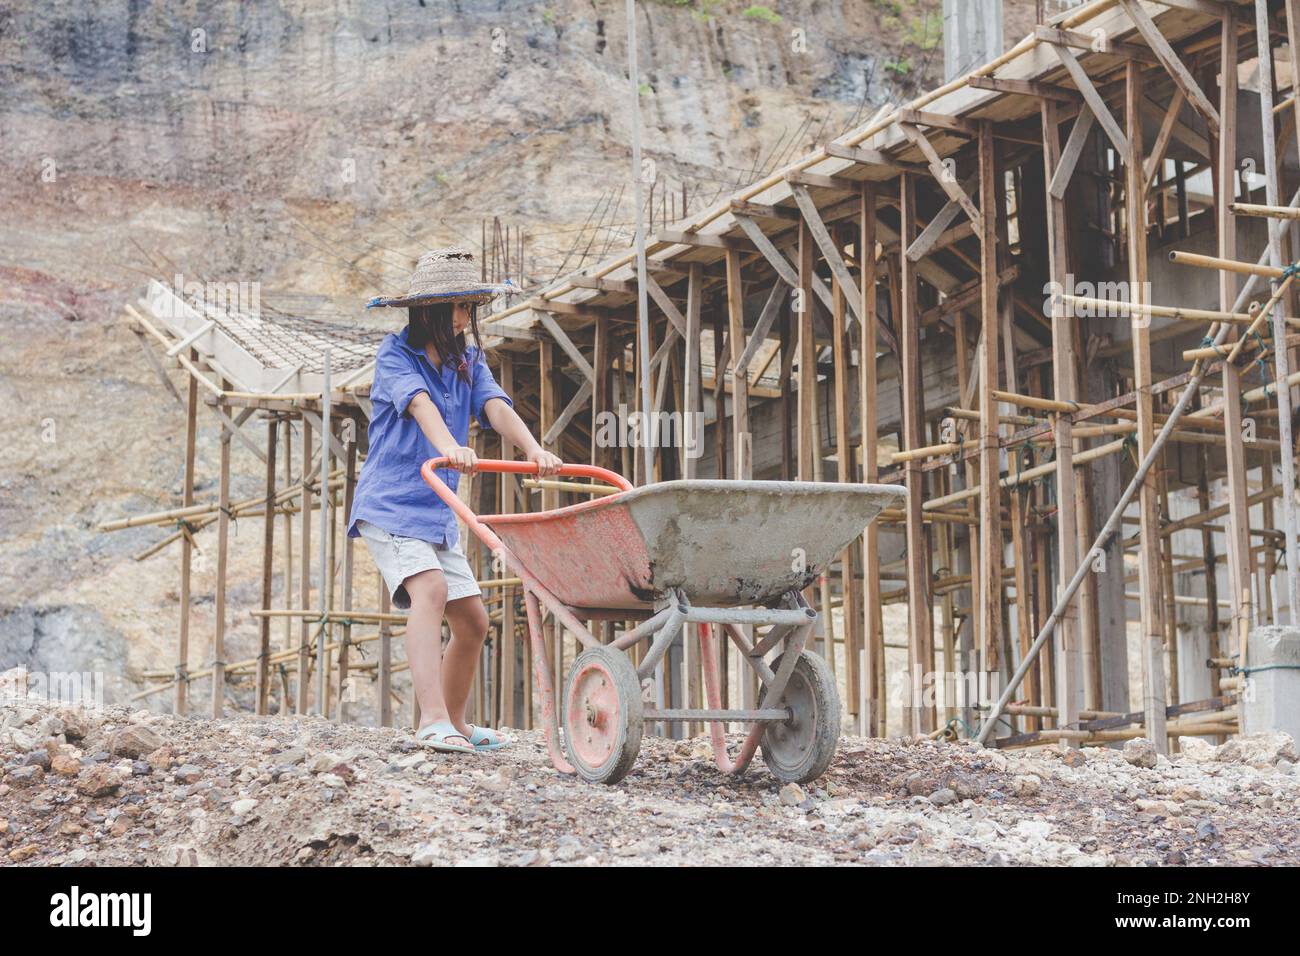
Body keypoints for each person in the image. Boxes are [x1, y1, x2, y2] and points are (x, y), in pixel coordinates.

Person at [349, 249, 561, 753]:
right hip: (393, 504)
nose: (465, 318)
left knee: (472, 622)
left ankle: (458, 724)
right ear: (429, 312)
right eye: (458, 308)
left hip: (437, 511)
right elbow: (419, 403)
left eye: (469, 307)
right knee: (431, 591)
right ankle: (432, 721)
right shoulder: (396, 354)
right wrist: (448, 446)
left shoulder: (469, 359)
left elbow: (494, 405)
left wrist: (533, 449)